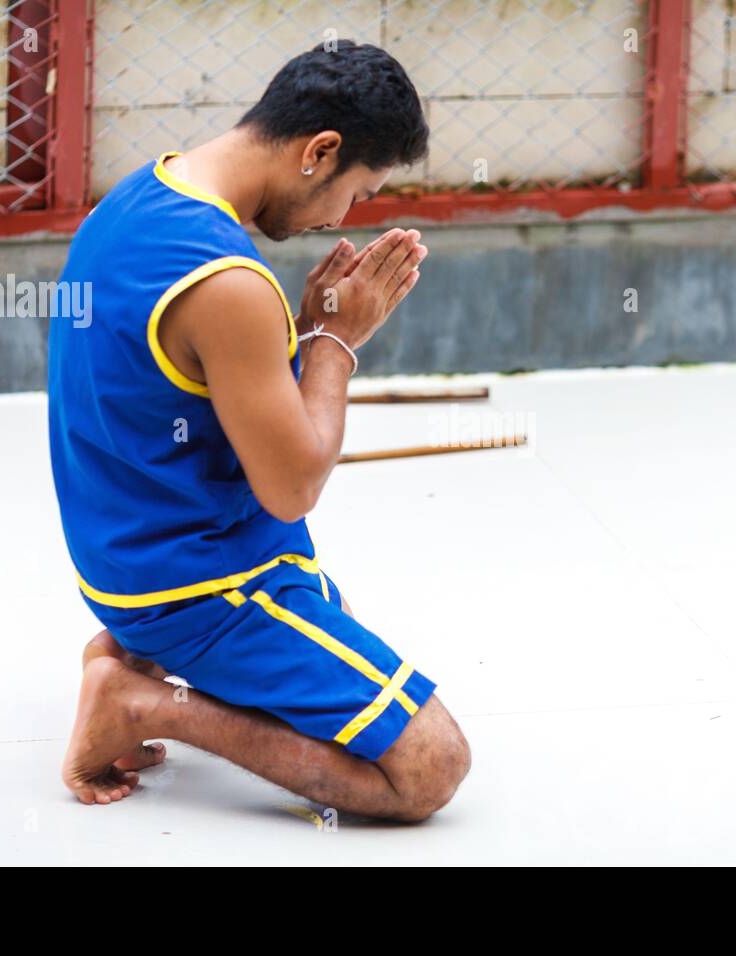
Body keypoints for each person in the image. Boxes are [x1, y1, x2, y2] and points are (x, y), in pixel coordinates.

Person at [47, 40, 470, 822]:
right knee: (429, 768)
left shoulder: (140, 197)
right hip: (199, 582)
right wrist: (339, 346)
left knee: (332, 642)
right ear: (320, 152)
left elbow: (182, 388)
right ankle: (140, 704)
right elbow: (291, 488)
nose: (342, 220)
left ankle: (128, 649)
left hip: (121, 555)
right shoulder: (232, 284)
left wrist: (302, 332)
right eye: (358, 191)